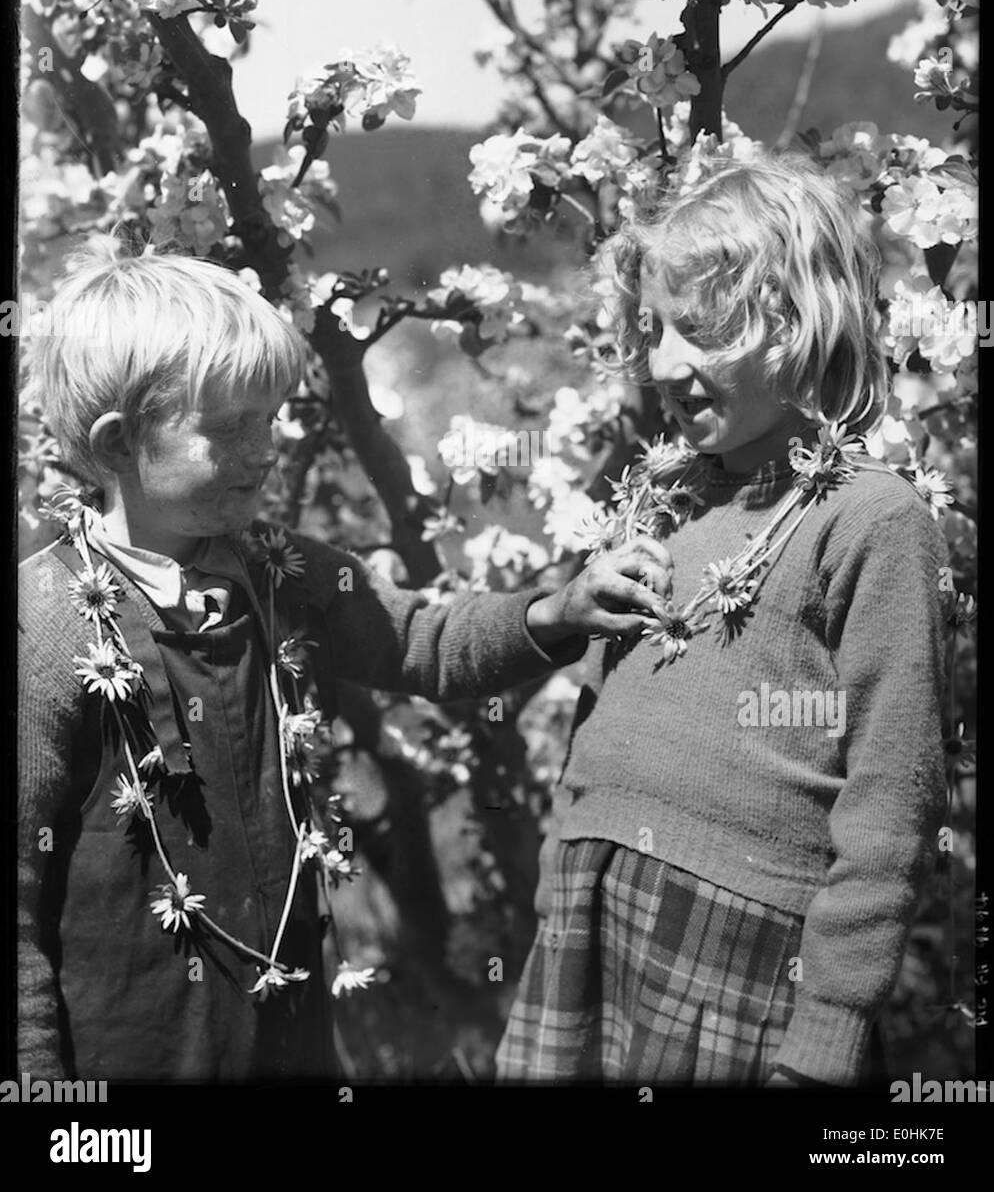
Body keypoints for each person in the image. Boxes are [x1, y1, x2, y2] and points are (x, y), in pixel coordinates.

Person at [17, 236, 673, 1082]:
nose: (265, 451)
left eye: (271, 419)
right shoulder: (47, 630)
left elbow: (419, 641)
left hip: (286, 1038)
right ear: (115, 447)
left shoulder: (279, 573)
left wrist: (556, 613)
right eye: (228, 430)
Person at [496, 152, 950, 1088]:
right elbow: (599, 713)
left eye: (699, 329)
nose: (663, 361)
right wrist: (559, 884)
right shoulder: (661, 500)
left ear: (796, 323)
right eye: (654, 327)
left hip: (741, 946)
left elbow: (892, 797)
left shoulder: (871, 519)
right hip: (594, 909)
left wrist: (828, 1033)